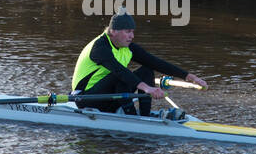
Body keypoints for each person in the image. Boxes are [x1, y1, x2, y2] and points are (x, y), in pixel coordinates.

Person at [71, 12, 208, 116]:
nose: (132, 36)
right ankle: (131, 115)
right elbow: (119, 71)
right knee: (121, 74)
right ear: (113, 31)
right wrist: (147, 88)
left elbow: (156, 62)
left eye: (133, 32)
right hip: (85, 99)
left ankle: (144, 116)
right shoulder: (99, 47)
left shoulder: (127, 47)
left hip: (107, 96)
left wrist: (190, 76)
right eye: (128, 31)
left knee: (147, 71)